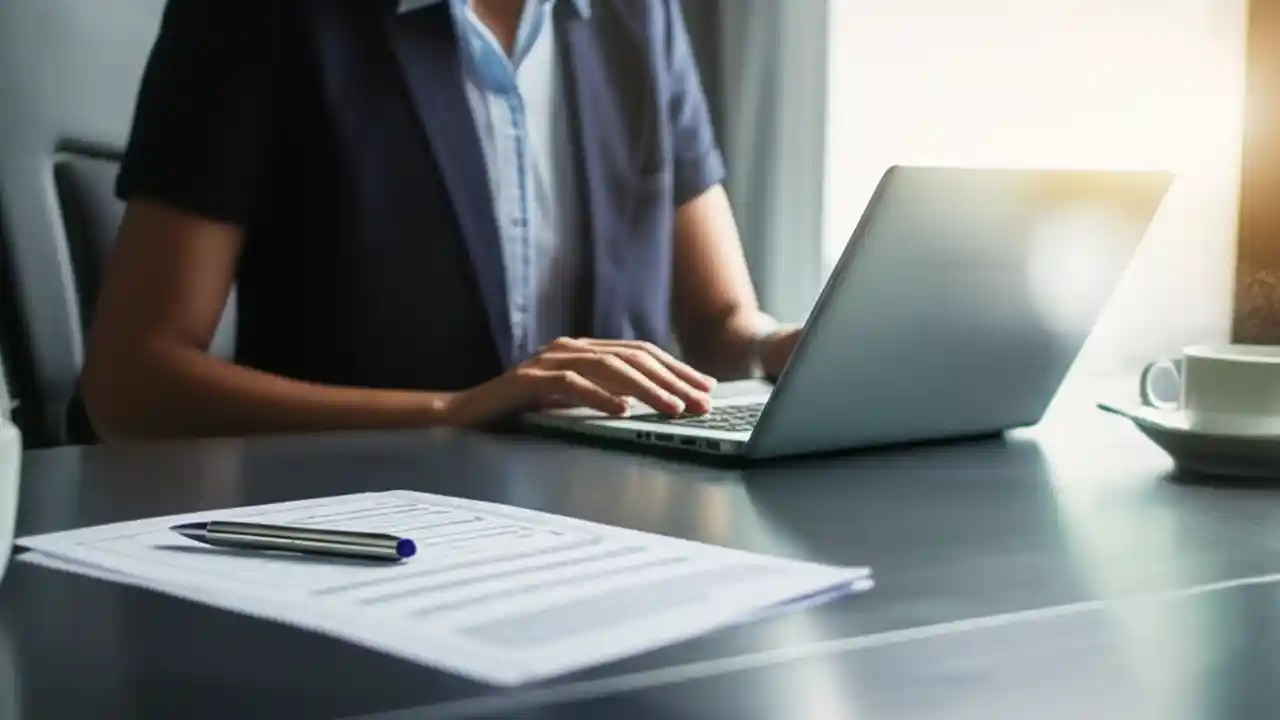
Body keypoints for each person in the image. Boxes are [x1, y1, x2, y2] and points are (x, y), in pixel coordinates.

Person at [81, 0, 801, 439]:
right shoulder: (263, 12)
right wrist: (453, 410)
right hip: (363, 526)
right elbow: (131, 383)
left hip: (606, 522)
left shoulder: (639, 14)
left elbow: (719, 321)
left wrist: (785, 349)